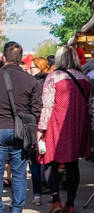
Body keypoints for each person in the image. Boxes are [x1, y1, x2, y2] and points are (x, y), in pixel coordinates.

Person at [37, 45, 91, 213]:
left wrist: (41, 130)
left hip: (56, 124)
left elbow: (47, 105)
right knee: (72, 164)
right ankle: (70, 203)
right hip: (77, 125)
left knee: (50, 162)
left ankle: (55, 200)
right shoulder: (84, 79)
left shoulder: (53, 77)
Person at [0, 41, 42, 213]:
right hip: (21, 131)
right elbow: (37, 109)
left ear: (3, 57)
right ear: (21, 59)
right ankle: (16, 210)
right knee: (19, 171)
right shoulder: (31, 80)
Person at [25, 56, 50, 203]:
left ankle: (37, 195)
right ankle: (53, 192)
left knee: (34, 162)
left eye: (32, 67)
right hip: (50, 126)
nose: (29, 70)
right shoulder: (51, 82)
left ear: (39, 68)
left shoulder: (33, 83)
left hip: (36, 125)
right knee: (49, 160)